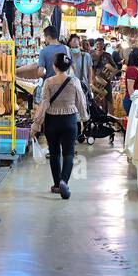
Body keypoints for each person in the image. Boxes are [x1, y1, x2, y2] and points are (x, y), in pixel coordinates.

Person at [31, 52, 88, 199]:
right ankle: (64, 181)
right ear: (69, 66)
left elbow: (44, 104)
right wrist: (84, 118)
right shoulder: (74, 81)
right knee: (68, 153)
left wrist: (36, 124)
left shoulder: (49, 82)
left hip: (52, 121)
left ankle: (57, 185)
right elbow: (81, 101)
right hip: (69, 120)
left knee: (55, 153)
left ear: (54, 66)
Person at [122, 47, 138, 116]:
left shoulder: (137, 68)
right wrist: (136, 102)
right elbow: (130, 89)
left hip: (137, 99)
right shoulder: (132, 69)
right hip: (132, 101)